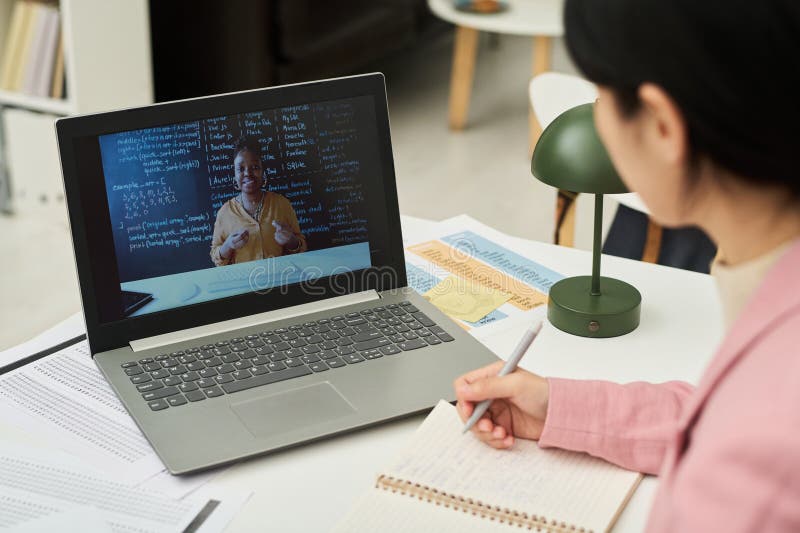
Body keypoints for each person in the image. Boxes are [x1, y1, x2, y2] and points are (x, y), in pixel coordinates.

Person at [455, 1, 800, 531]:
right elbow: (714, 418)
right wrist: (559, 407)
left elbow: (746, 441)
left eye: (601, 97)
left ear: (662, 126)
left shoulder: (755, 466)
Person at [210, 137, 307, 266]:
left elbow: (302, 246)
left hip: (280, 278)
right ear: (234, 174)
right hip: (244, 282)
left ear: (263, 171)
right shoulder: (225, 212)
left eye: (255, 167)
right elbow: (215, 256)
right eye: (241, 169)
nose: (248, 173)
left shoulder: (281, 204)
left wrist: (291, 241)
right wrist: (228, 246)